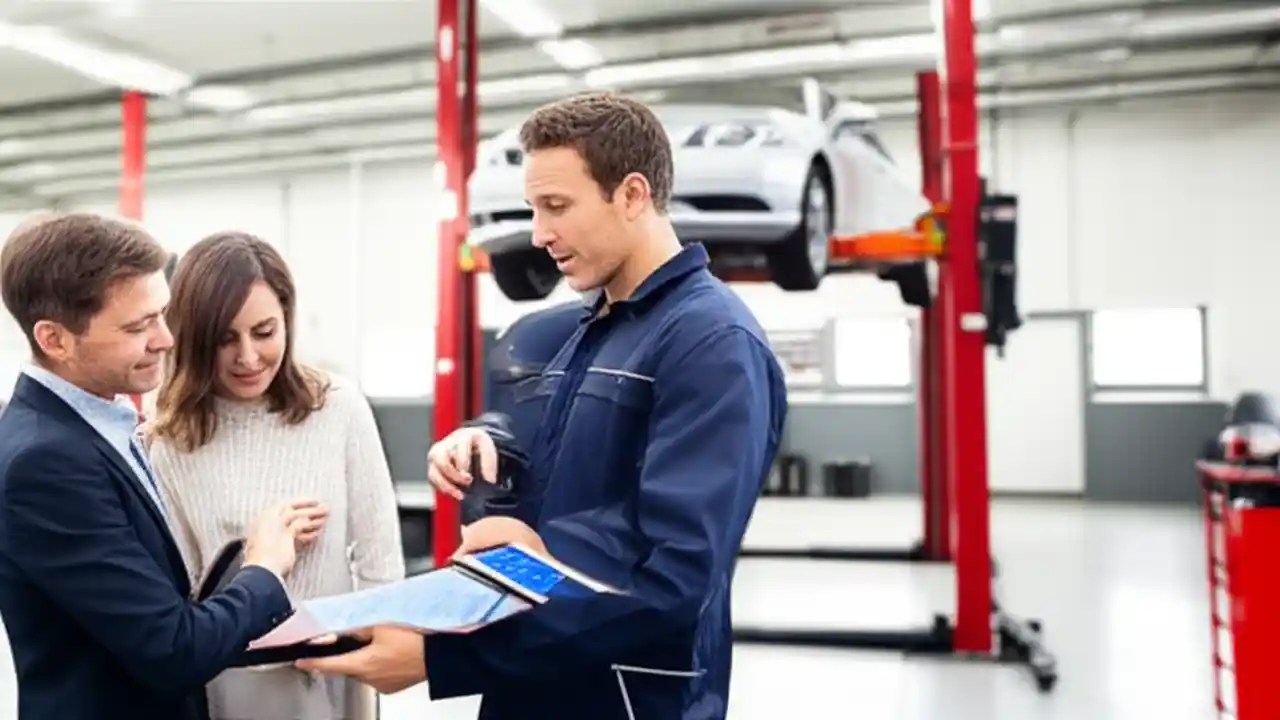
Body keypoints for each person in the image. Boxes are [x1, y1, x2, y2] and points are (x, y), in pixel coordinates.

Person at [300, 91, 789, 719]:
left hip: (626, 701)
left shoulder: (712, 344)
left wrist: (443, 658)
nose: (538, 234)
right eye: (534, 209)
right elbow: (569, 502)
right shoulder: (582, 330)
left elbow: (670, 586)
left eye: (557, 206)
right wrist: (491, 453)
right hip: (531, 689)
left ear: (632, 195)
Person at [0, 213, 319, 720]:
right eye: (138, 326)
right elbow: (174, 648)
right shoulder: (45, 464)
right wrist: (263, 566)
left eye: (162, 314)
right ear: (55, 340)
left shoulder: (99, 427)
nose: (166, 339)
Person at [145, 231, 406, 720]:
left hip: (334, 675)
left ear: (287, 318)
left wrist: (366, 641)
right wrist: (258, 551)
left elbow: (381, 562)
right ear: (193, 338)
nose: (248, 357)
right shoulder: (171, 440)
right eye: (224, 339)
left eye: (264, 332)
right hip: (234, 683)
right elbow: (183, 596)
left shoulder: (338, 407)